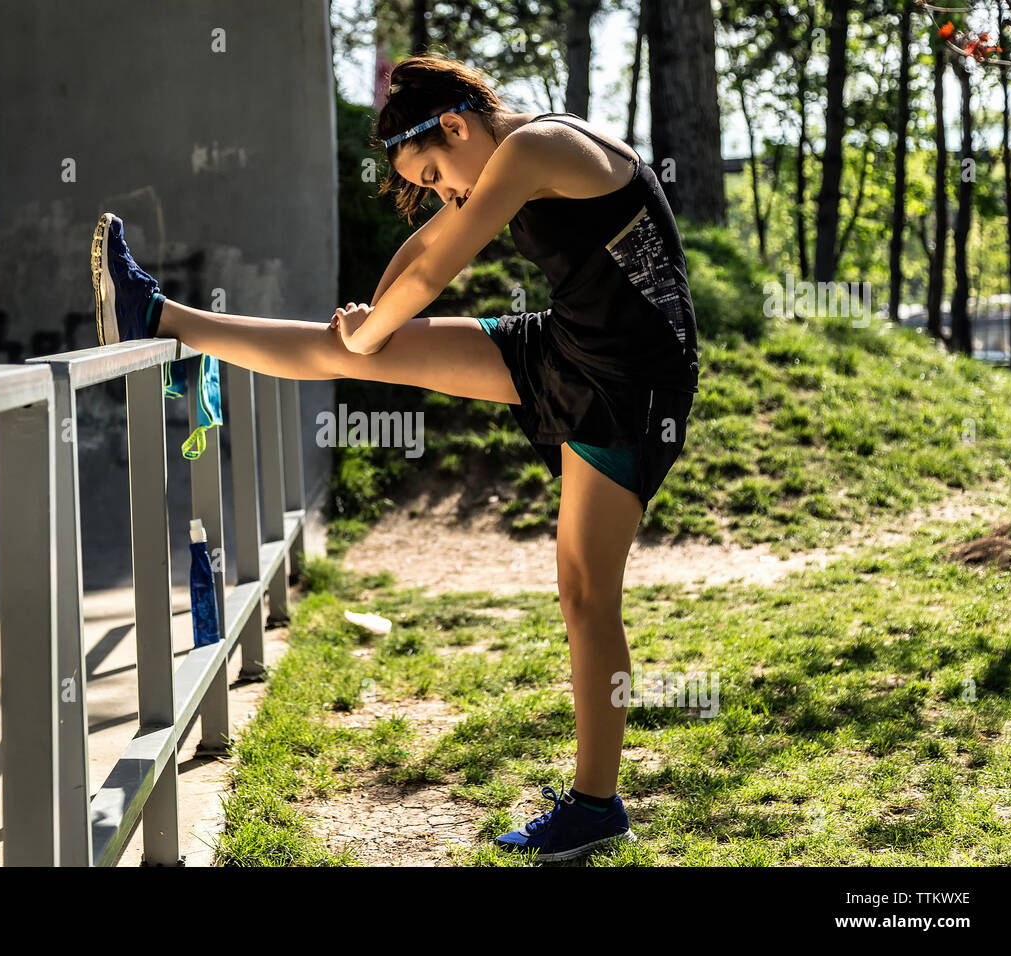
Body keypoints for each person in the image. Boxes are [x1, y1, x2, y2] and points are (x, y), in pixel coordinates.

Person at [89, 52, 700, 863]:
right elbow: (422, 249)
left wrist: (371, 334)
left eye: (440, 172)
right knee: (346, 350)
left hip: (634, 381)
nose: (448, 191)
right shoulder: (501, 158)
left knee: (585, 590)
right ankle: (155, 315)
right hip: (568, 344)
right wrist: (367, 322)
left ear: (456, 124)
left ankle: (597, 805)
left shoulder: (537, 149)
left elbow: (444, 267)